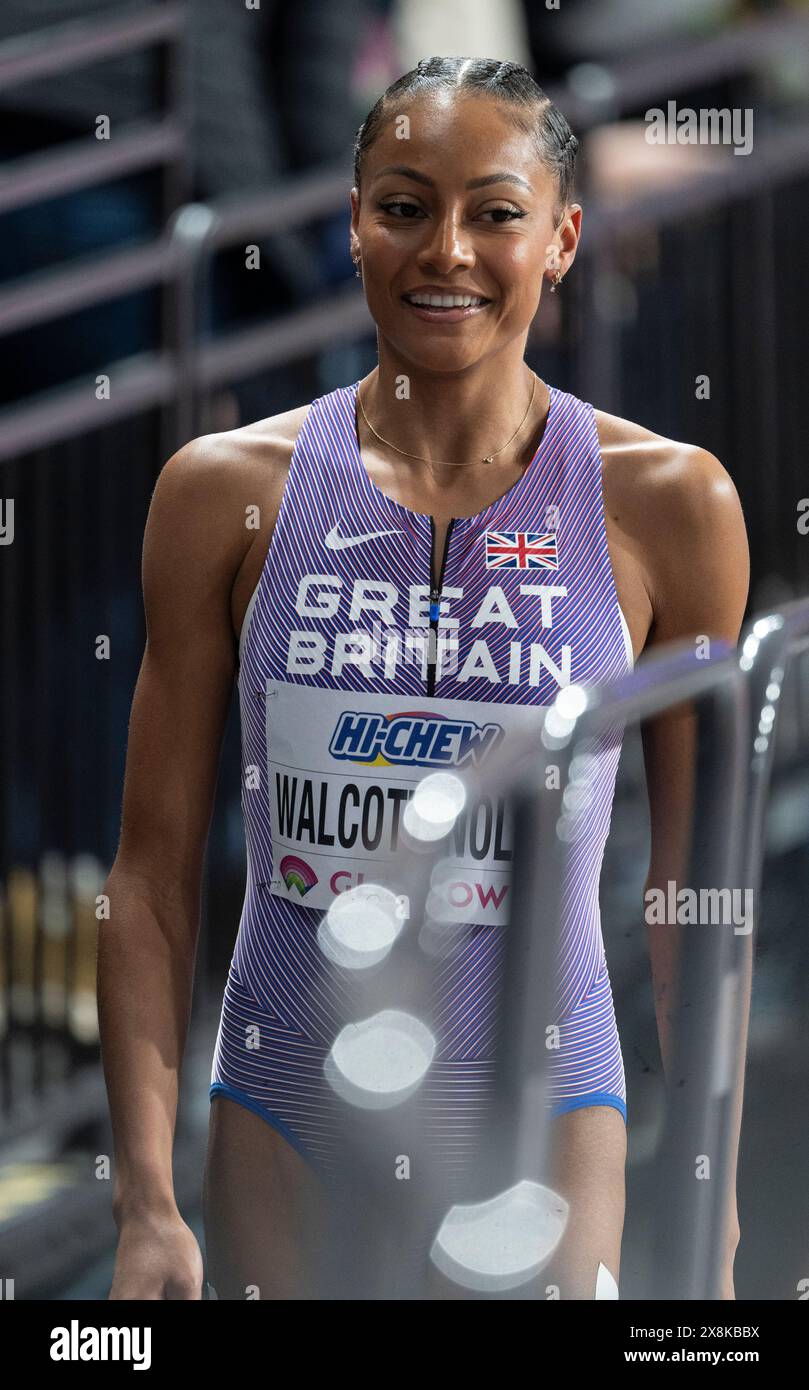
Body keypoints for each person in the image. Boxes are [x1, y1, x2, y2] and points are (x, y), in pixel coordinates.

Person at [100, 56, 750, 1300]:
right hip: (283, 1109)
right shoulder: (223, 493)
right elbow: (147, 877)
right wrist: (143, 1199)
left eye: (494, 213)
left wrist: (709, 1224)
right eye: (403, 205)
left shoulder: (669, 505)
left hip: (545, 1112)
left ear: (560, 238)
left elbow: (696, 892)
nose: (443, 250)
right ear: (353, 225)